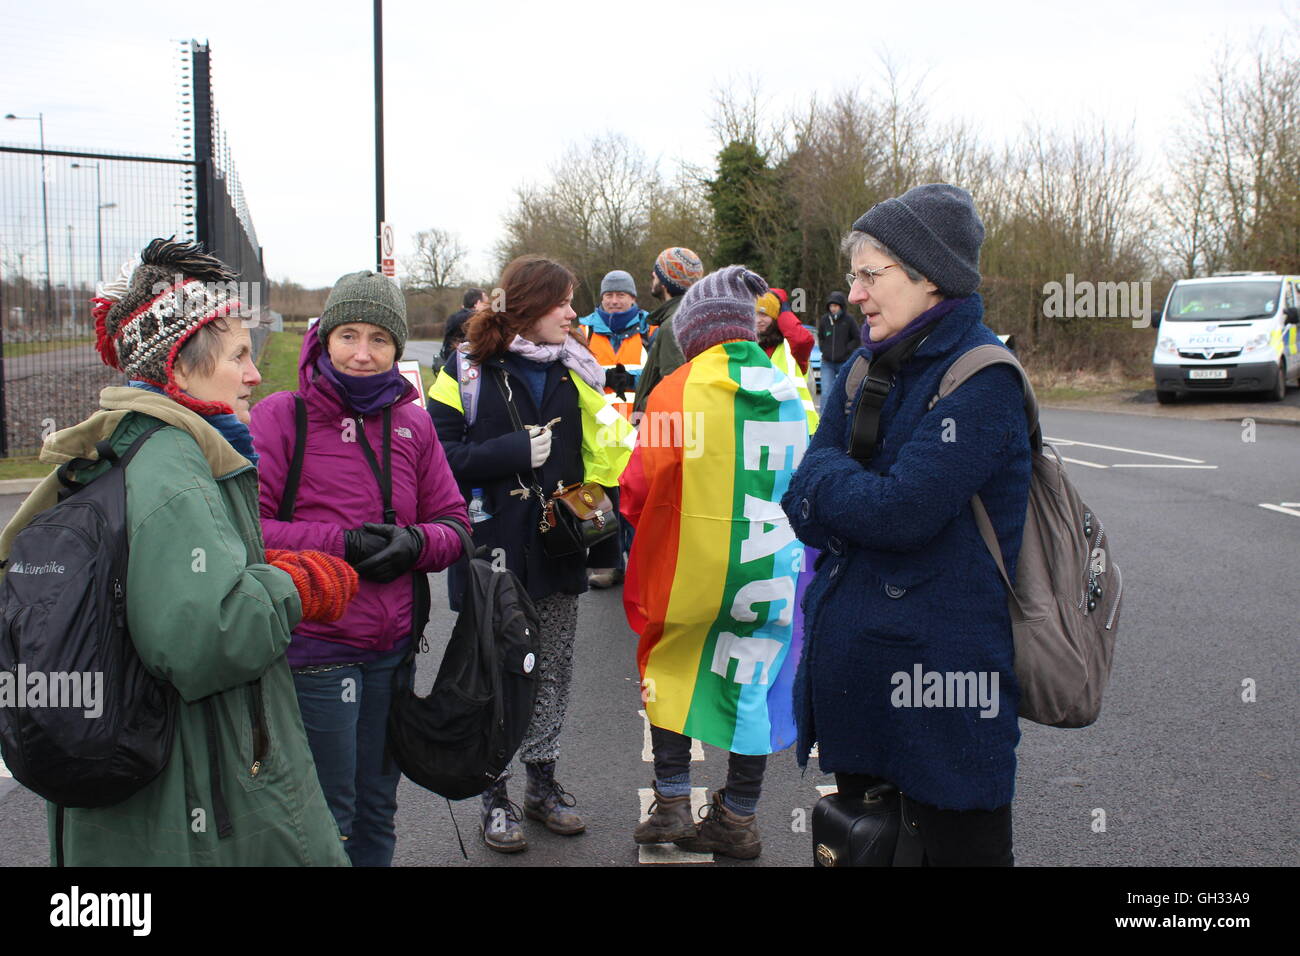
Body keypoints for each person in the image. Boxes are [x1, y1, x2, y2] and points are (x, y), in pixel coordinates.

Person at [0, 238, 358, 865]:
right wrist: (292, 587)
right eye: (240, 355)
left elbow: (163, 585)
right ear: (180, 367)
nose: (253, 373)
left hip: (143, 785)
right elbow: (207, 637)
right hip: (196, 792)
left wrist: (255, 571)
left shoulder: (125, 444)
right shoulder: (174, 462)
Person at [781, 184, 1032, 866]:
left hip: (947, 697)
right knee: (871, 851)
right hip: (862, 681)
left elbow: (902, 513)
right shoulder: (866, 364)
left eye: (871, 275)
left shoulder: (984, 378)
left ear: (930, 277)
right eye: (853, 276)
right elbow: (798, 496)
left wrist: (833, 484)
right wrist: (841, 489)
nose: (854, 295)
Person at [250, 271, 469, 867]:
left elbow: (454, 525)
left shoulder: (413, 424)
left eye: (379, 339)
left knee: (377, 808)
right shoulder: (281, 417)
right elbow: (248, 530)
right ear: (324, 339)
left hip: (391, 649)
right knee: (325, 814)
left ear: (399, 349)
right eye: (348, 335)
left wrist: (413, 543)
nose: (363, 353)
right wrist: (341, 543)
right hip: (314, 650)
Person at [428, 254, 633, 853]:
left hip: (559, 547)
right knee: (496, 673)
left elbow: (605, 453)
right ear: (528, 305)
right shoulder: (465, 369)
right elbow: (436, 458)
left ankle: (541, 785)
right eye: (563, 301)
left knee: (553, 671)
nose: (574, 312)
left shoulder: (577, 369)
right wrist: (511, 451)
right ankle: (495, 795)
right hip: (492, 551)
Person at [623, 265, 810, 860]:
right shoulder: (790, 389)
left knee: (673, 670)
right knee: (753, 682)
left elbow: (635, 490)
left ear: (695, 332)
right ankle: (737, 817)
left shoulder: (674, 390)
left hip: (689, 570)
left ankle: (673, 804)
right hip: (771, 567)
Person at [578, 270, 650, 588]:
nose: (614, 300)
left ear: (633, 298)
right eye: (609, 295)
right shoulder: (583, 329)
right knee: (596, 497)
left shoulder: (652, 329)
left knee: (639, 498)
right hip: (598, 432)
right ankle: (606, 564)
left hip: (642, 429)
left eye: (621, 295)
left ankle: (637, 562)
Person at [633, 246, 704, 415]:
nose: (653, 276)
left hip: (664, 428)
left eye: (656, 273)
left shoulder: (673, 326)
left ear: (665, 283)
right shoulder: (696, 318)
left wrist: (644, 408)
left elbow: (674, 392)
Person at [757, 289, 820, 432]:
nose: (758, 319)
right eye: (754, 314)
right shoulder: (750, 346)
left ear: (776, 317)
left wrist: (783, 309)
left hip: (799, 428)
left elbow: (803, 339)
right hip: (764, 427)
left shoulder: (790, 348)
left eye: (764, 314)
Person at [816, 290, 859, 392]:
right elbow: (820, 336)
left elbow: (857, 338)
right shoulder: (824, 320)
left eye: (835, 306)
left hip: (844, 362)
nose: (833, 308)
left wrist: (847, 350)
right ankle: (824, 409)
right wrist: (824, 349)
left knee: (843, 392)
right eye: (831, 306)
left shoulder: (849, 320)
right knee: (826, 392)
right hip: (827, 363)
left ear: (841, 306)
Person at [440, 288, 489, 364]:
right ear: (478, 303)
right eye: (485, 304)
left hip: (450, 363)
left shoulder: (453, 317)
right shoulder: (476, 319)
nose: (487, 307)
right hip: (466, 367)